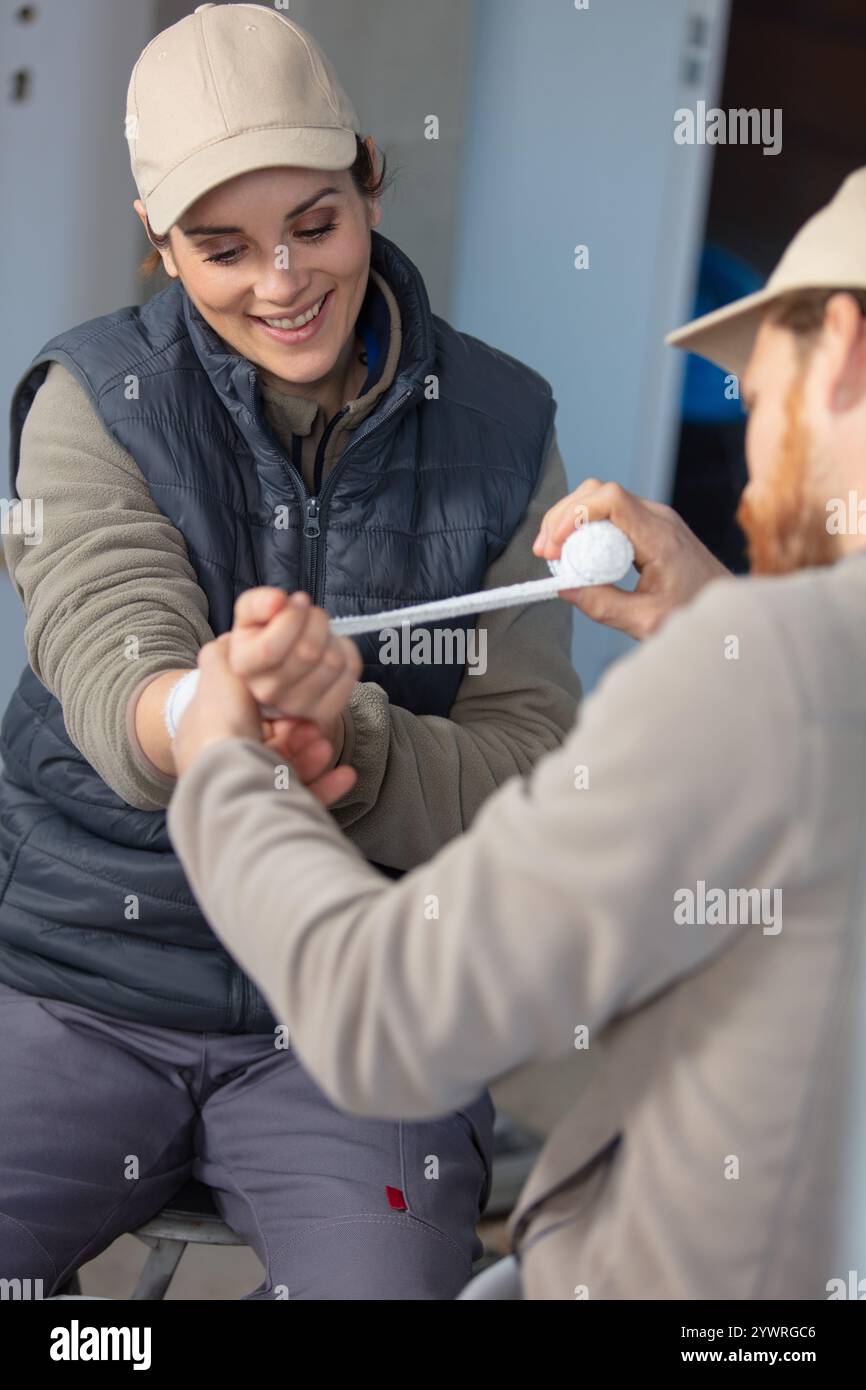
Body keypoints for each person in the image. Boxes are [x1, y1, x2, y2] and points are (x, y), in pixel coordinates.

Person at [167, 168, 866, 1299]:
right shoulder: (782, 670)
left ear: (837, 348)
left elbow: (383, 1015)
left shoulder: (773, 676)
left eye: (757, 392)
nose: (744, 478)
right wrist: (711, 622)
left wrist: (224, 770)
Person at [0, 6, 581, 1300]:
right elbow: (107, 641)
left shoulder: (499, 424)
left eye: (313, 223)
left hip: (353, 1007)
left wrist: (348, 746)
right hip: (72, 975)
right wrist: (206, 712)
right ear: (159, 243)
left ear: (370, 175)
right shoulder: (91, 396)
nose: (279, 280)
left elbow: (529, 766)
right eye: (221, 248)